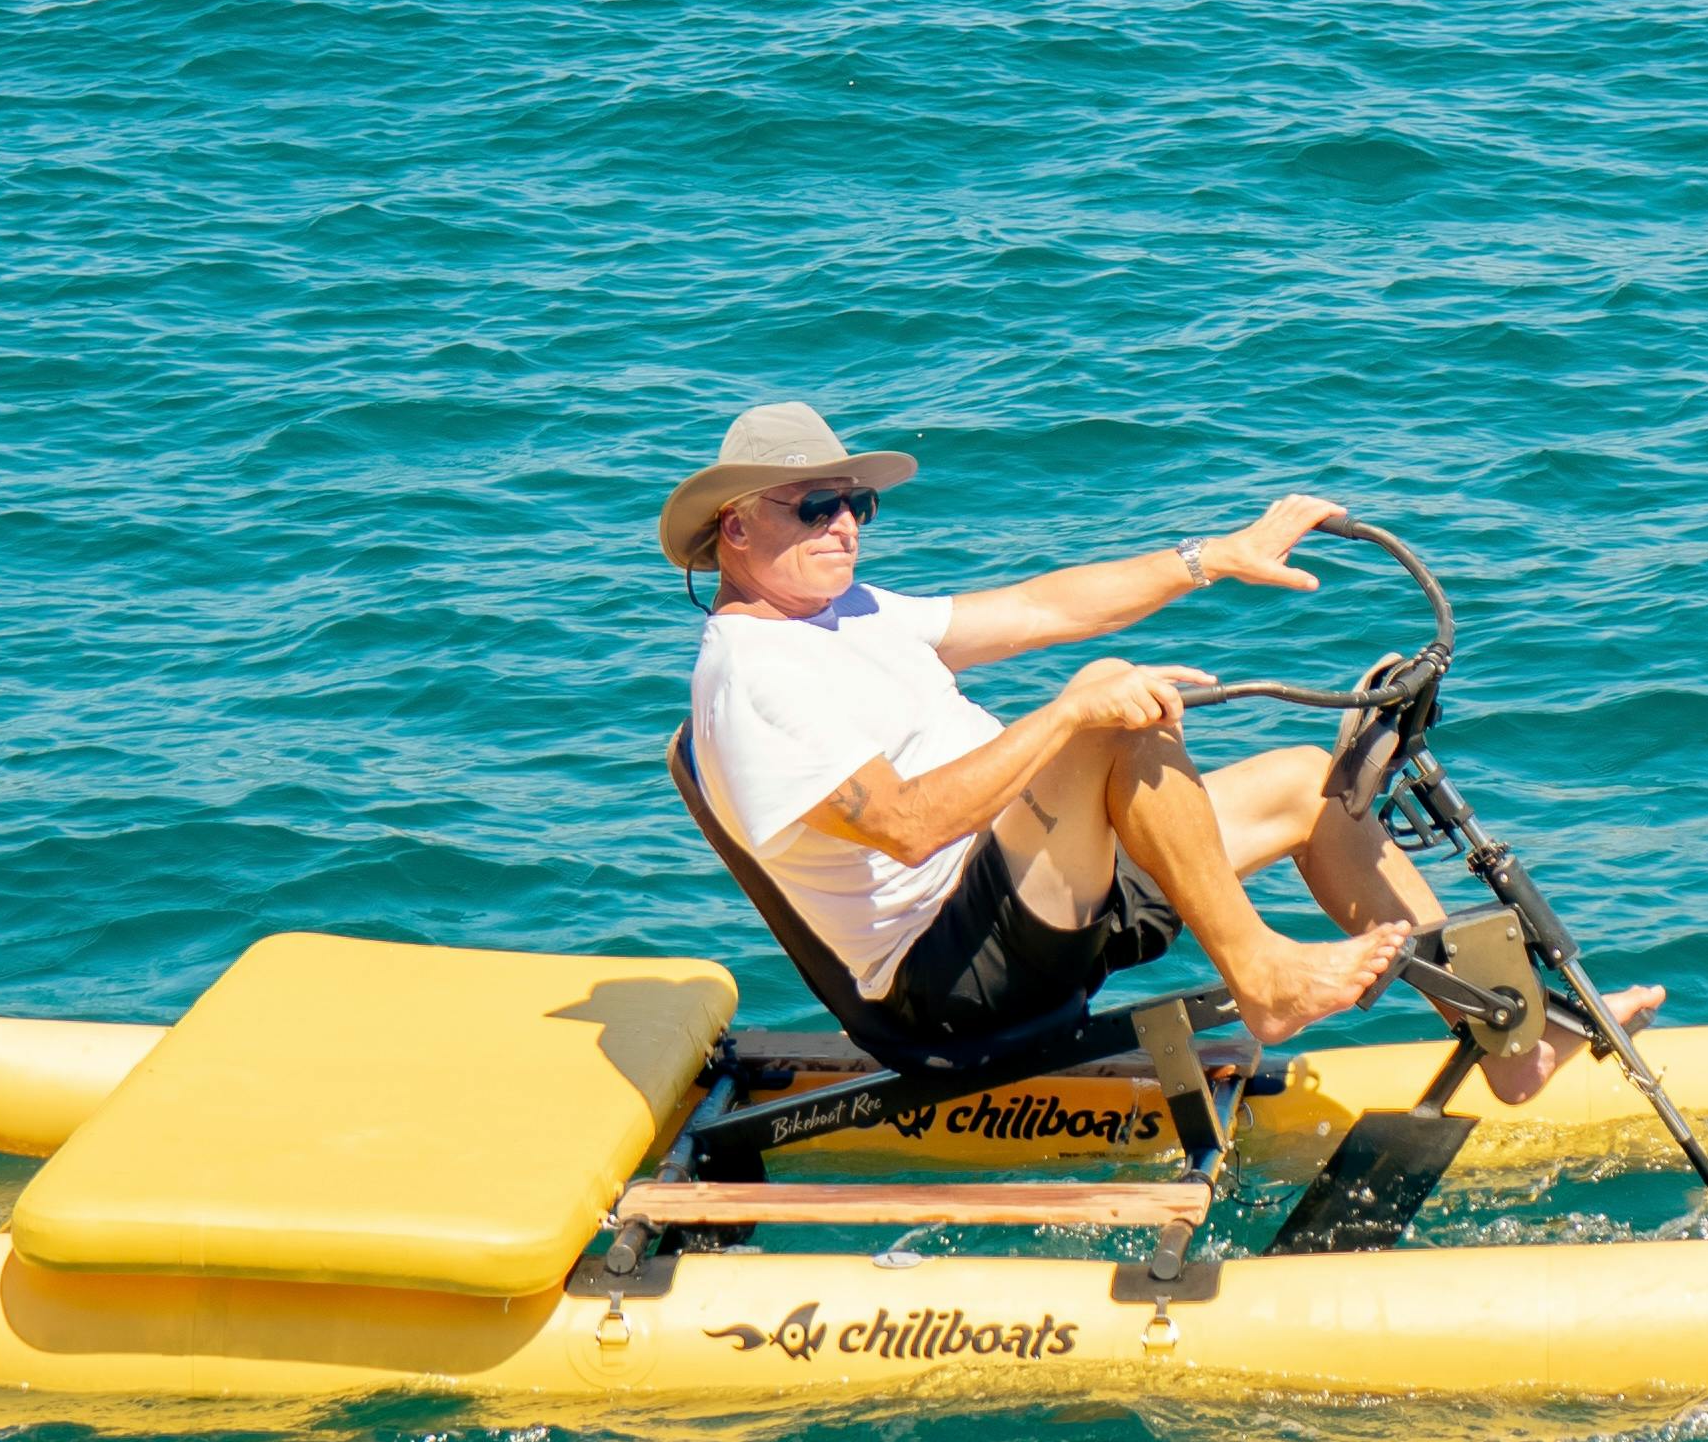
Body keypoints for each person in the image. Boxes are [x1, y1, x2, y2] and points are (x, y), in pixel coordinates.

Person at [659, 400, 1637, 1081]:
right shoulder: (757, 675)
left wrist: (1212, 557)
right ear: (735, 527)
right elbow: (908, 828)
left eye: (855, 504)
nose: (846, 526)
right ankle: (1265, 981)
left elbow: (1040, 606)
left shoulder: (850, 612)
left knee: (1309, 784)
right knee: (1107, 710)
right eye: (814, 507)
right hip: (951, 977)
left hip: (1036, 897)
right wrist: (1073, 717)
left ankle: (1512, 1049)